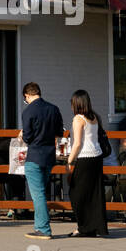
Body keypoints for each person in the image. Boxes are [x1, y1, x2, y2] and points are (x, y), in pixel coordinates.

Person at [20, 81, 64, 240]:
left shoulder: (28, 111)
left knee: (37, 194)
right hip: (49, 156)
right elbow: (60, 131)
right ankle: (40, 226)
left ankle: (43, 229)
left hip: (34, 156)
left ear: (27, 95)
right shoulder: (53, 109)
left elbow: (27, 137)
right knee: (41, 193)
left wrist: (22, 134)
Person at [67, 89, 109, 238]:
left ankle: (84, 227)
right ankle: (96, 227)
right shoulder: (94, 117)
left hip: (84, 158)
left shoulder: (78, 119)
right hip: (97, 157)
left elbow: (77, 143)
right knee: (94, 194)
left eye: (72, 103)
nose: (71, 106)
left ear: (77, 103)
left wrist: (69, 160)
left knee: (76, 193)